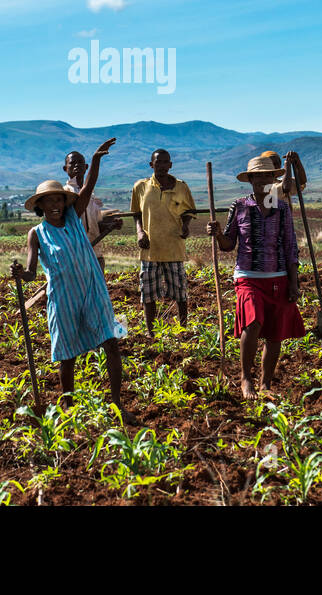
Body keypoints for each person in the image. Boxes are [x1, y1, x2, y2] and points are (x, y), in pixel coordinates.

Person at [11, 139, 137, 424]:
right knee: (67, 356)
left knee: (112, 344)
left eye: (58, 199)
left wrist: (95, 160)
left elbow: (88, 186)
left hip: (93, 291)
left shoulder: (72, 217)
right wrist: (21, 274)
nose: (55, 205)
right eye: (49, 201)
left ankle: (117, 404)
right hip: (62, 298)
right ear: (40, 206)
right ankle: (69, 410)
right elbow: (32, 272)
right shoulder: (37, 234)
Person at [207, 154, 304, 399]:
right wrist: (218, 234)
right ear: (249, 180)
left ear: (274, 179)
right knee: (252, 323)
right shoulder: (239, 206)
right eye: (257, 176)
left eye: (267, 176)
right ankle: (246, 378)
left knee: (274, 334)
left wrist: (293, 282)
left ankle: (266, 384)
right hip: (247, 275)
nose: (262, 180)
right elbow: (228, 245)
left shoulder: (281, 208)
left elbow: (290, 246)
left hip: (278, 275)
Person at [130, 149, 197, 335]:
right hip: (150, 249)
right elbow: (136, 213)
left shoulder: (182, 187)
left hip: (174, 247)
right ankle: (151, 332)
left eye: (165, 162)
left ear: (170, 165)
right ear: (151, 165)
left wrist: (186, 226)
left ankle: (182, 329)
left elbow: (189, 212)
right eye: (157, 162)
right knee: (148, 292)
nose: (161, 166)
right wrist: (139, 232)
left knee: (180, 291)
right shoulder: (141, 187)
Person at [63, 150, 121, 272]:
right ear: (65, 168)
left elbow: (95, 226)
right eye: (72, 163)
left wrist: (111, 225)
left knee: (97, 290)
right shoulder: (64, 194)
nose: (77, 165)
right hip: (75, 256)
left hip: (95, 254)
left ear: (86, 167)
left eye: (80, 163)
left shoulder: (92, 197)